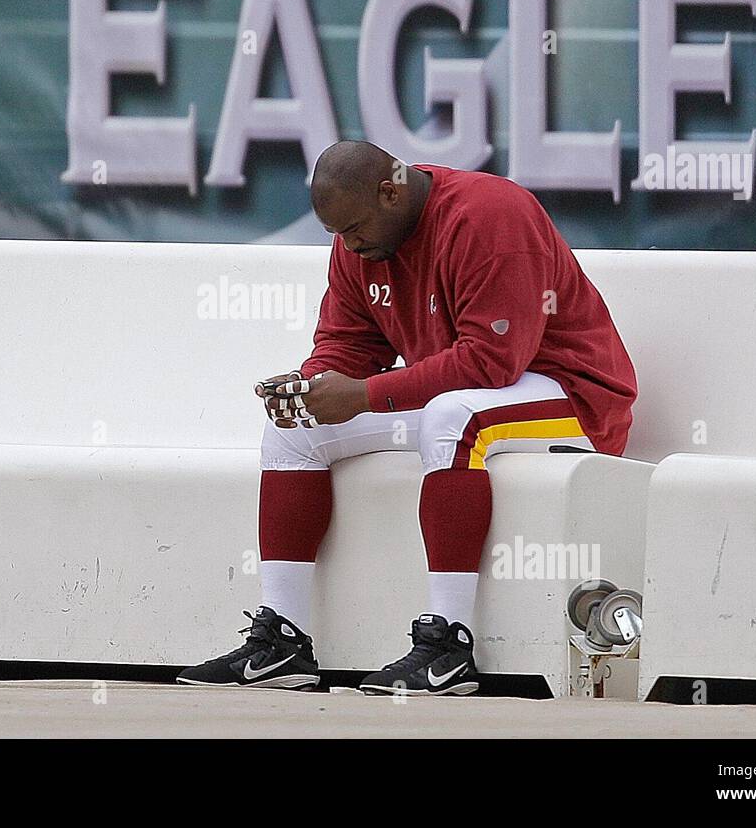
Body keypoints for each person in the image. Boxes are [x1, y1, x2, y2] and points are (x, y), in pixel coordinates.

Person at [178, 141, 637, 695]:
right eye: (336, 235)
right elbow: (347, 344)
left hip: (576, 398)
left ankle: (449, 645)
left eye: (353, 229)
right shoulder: (364, 236)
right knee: (293, 430)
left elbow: (491, 362)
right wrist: (311, 386)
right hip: (482, 391)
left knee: (453, 418)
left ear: (390, 191)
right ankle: (282, 644)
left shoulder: (490, 215)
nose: (348, 245)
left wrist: (366, 394)